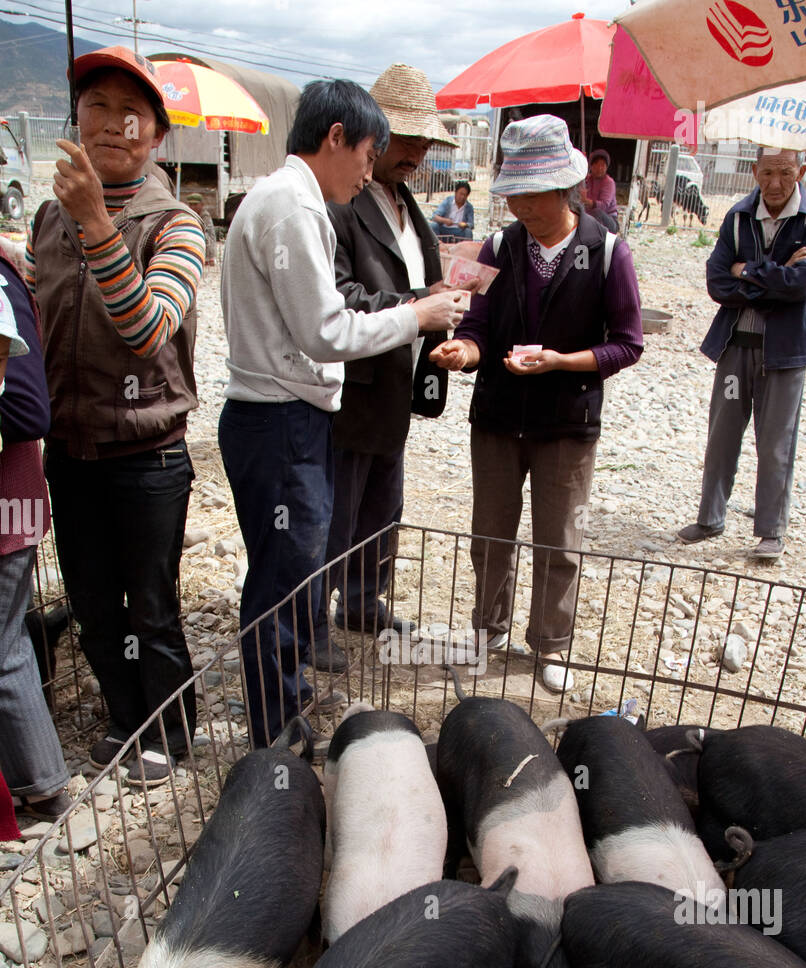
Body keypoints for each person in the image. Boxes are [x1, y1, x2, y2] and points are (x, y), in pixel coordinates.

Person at [218, 78, 465, 747]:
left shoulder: (284, 199)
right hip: (281, 421)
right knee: (283, 579)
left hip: (283, 416)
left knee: (295, 572)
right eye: (367, 152)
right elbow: (328, 333)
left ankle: (288, 699)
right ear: (336, 138)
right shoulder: (294, 209)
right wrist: (416, 314)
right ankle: (276, 730)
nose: (368, 170)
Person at [27, 45, 205, 786]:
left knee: (151, 606)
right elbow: (39, 315)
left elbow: (147, 331)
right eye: (95, 104)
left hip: (148, 454)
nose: (110, 123)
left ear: (155, 136)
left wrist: (97, 222)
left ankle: (169, 725)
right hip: (69, 449)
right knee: (95, 604)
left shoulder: (178, 226)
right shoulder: (47, 216)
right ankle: (123, 713)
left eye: (130, 112)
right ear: (75, 119)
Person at [430, 114, 643, 694]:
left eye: (531, 194)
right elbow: (475, 325)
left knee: (559, 537)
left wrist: (559, 361)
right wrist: (463, 353)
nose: (521, 205)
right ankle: (488, 628)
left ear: (564, 188)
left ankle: (552, 642)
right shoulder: (497, 247)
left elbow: (627, 344)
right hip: (498, 417)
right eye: (513, 194)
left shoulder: (607, 253)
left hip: (567, 422)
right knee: (490, 530)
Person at [309, 62, 459, 671]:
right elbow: (340, 298)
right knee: (335, 507)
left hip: (394, 380)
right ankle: (311, 617)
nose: (419, 152)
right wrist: (416, 308)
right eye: (409, 139)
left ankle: (364, 601)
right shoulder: (339, 204)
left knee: (382, 503)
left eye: (427, 141)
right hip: (355, 382)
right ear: (374, 136)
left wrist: (441, 291)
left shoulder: (406, 203)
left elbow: (411, 277)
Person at [677, 147, 806, 562]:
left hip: (785, 351)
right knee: (723, 432)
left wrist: (746, 270)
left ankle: (770, 532)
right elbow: (715, 281)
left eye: (785, 173)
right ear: (754, 171)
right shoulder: (738, 216)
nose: (776, 183)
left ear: (800, 171)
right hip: (736, 344)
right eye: (767, 173)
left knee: (776, 441)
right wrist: (777, 274)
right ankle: (710, 518)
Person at [0, 258, 70, 821]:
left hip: (8, 508)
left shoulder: (2, 280)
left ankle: (42, 784)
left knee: (4, 649)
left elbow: (27, 408)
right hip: (12, 507)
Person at [583, 149, 618, 230]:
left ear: (606, 167)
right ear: (591, 166)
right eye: (596, 164)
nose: (599, 168)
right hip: (590, 218)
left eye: (602, 165)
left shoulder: (609, 182)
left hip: (609, 219)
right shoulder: (586, 180)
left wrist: (587, 202)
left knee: (597, 213)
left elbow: (604, 206)